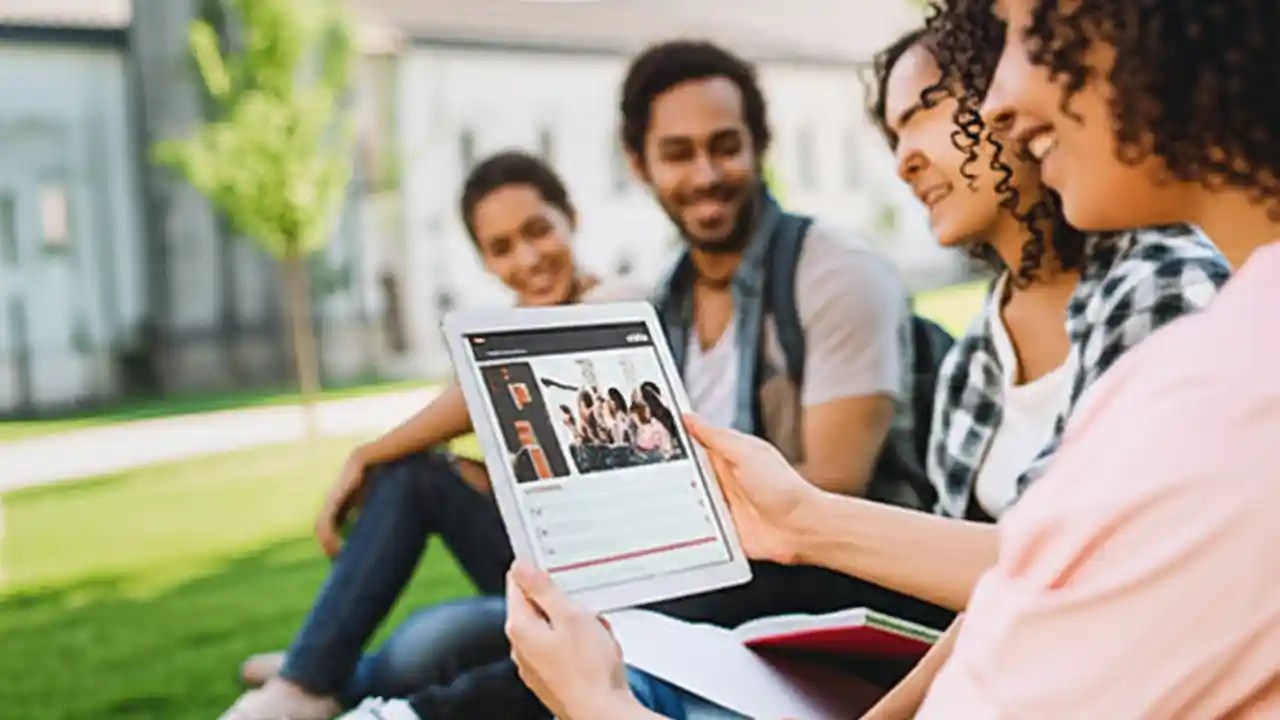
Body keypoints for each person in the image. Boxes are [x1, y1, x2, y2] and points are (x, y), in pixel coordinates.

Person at [508, 0, 1280, 717]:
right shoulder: (1021, 360)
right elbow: (1038, 582)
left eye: (1029, 31)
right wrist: (803, 522)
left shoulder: (1205, 371)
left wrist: (602, 710)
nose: (1006, 97)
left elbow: (1065, 603)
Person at [337, 39, 951, 720]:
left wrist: (659, 524)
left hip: (812, 584)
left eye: (726, 146)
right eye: (679, 153)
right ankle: (316, 681)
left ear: (759, 145)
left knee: (507, 639)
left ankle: (406, 710)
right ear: (640, 163)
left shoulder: (833, 270)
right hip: (674, 569)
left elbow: (832, 488)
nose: (706, 173)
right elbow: (510, 381)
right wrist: (374, 452)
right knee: (432, 636)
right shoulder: (656, 298)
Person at [218, 151, 646, 720]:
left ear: (573, 218)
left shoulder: (617, 301)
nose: (528, 258)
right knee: (419, 485)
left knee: (427, 648)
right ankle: (306, 682)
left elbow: (476, 400)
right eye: (501, 248)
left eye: (539, 231)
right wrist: (418, 463)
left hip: (618, 582)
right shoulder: (499, 332)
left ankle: (326, 669)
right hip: (540, 565)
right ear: (485, 261)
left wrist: (365, 455)